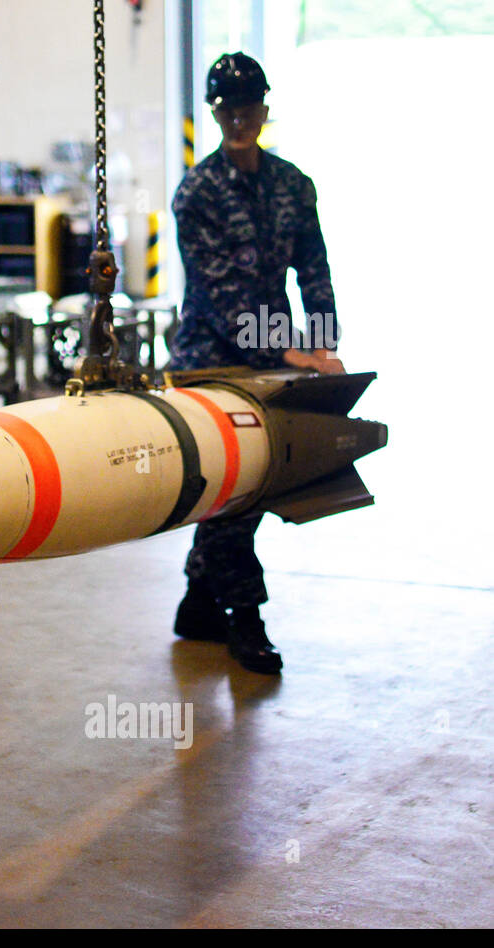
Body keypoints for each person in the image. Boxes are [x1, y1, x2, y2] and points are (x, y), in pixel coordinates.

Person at [168, 53, 345, 674]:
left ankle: (196, 602)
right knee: (238, 489)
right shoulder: (197, 193)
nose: (239, 120)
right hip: (210, 358)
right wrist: (287, 350)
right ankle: (246, 619)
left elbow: (314, 269)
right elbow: (220, 296)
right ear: (215, 114)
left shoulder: (294, 184)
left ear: (265, 110)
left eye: (250, 109)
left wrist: (323, 345)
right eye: (227, 110)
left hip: (274, 357)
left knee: (245, 483)